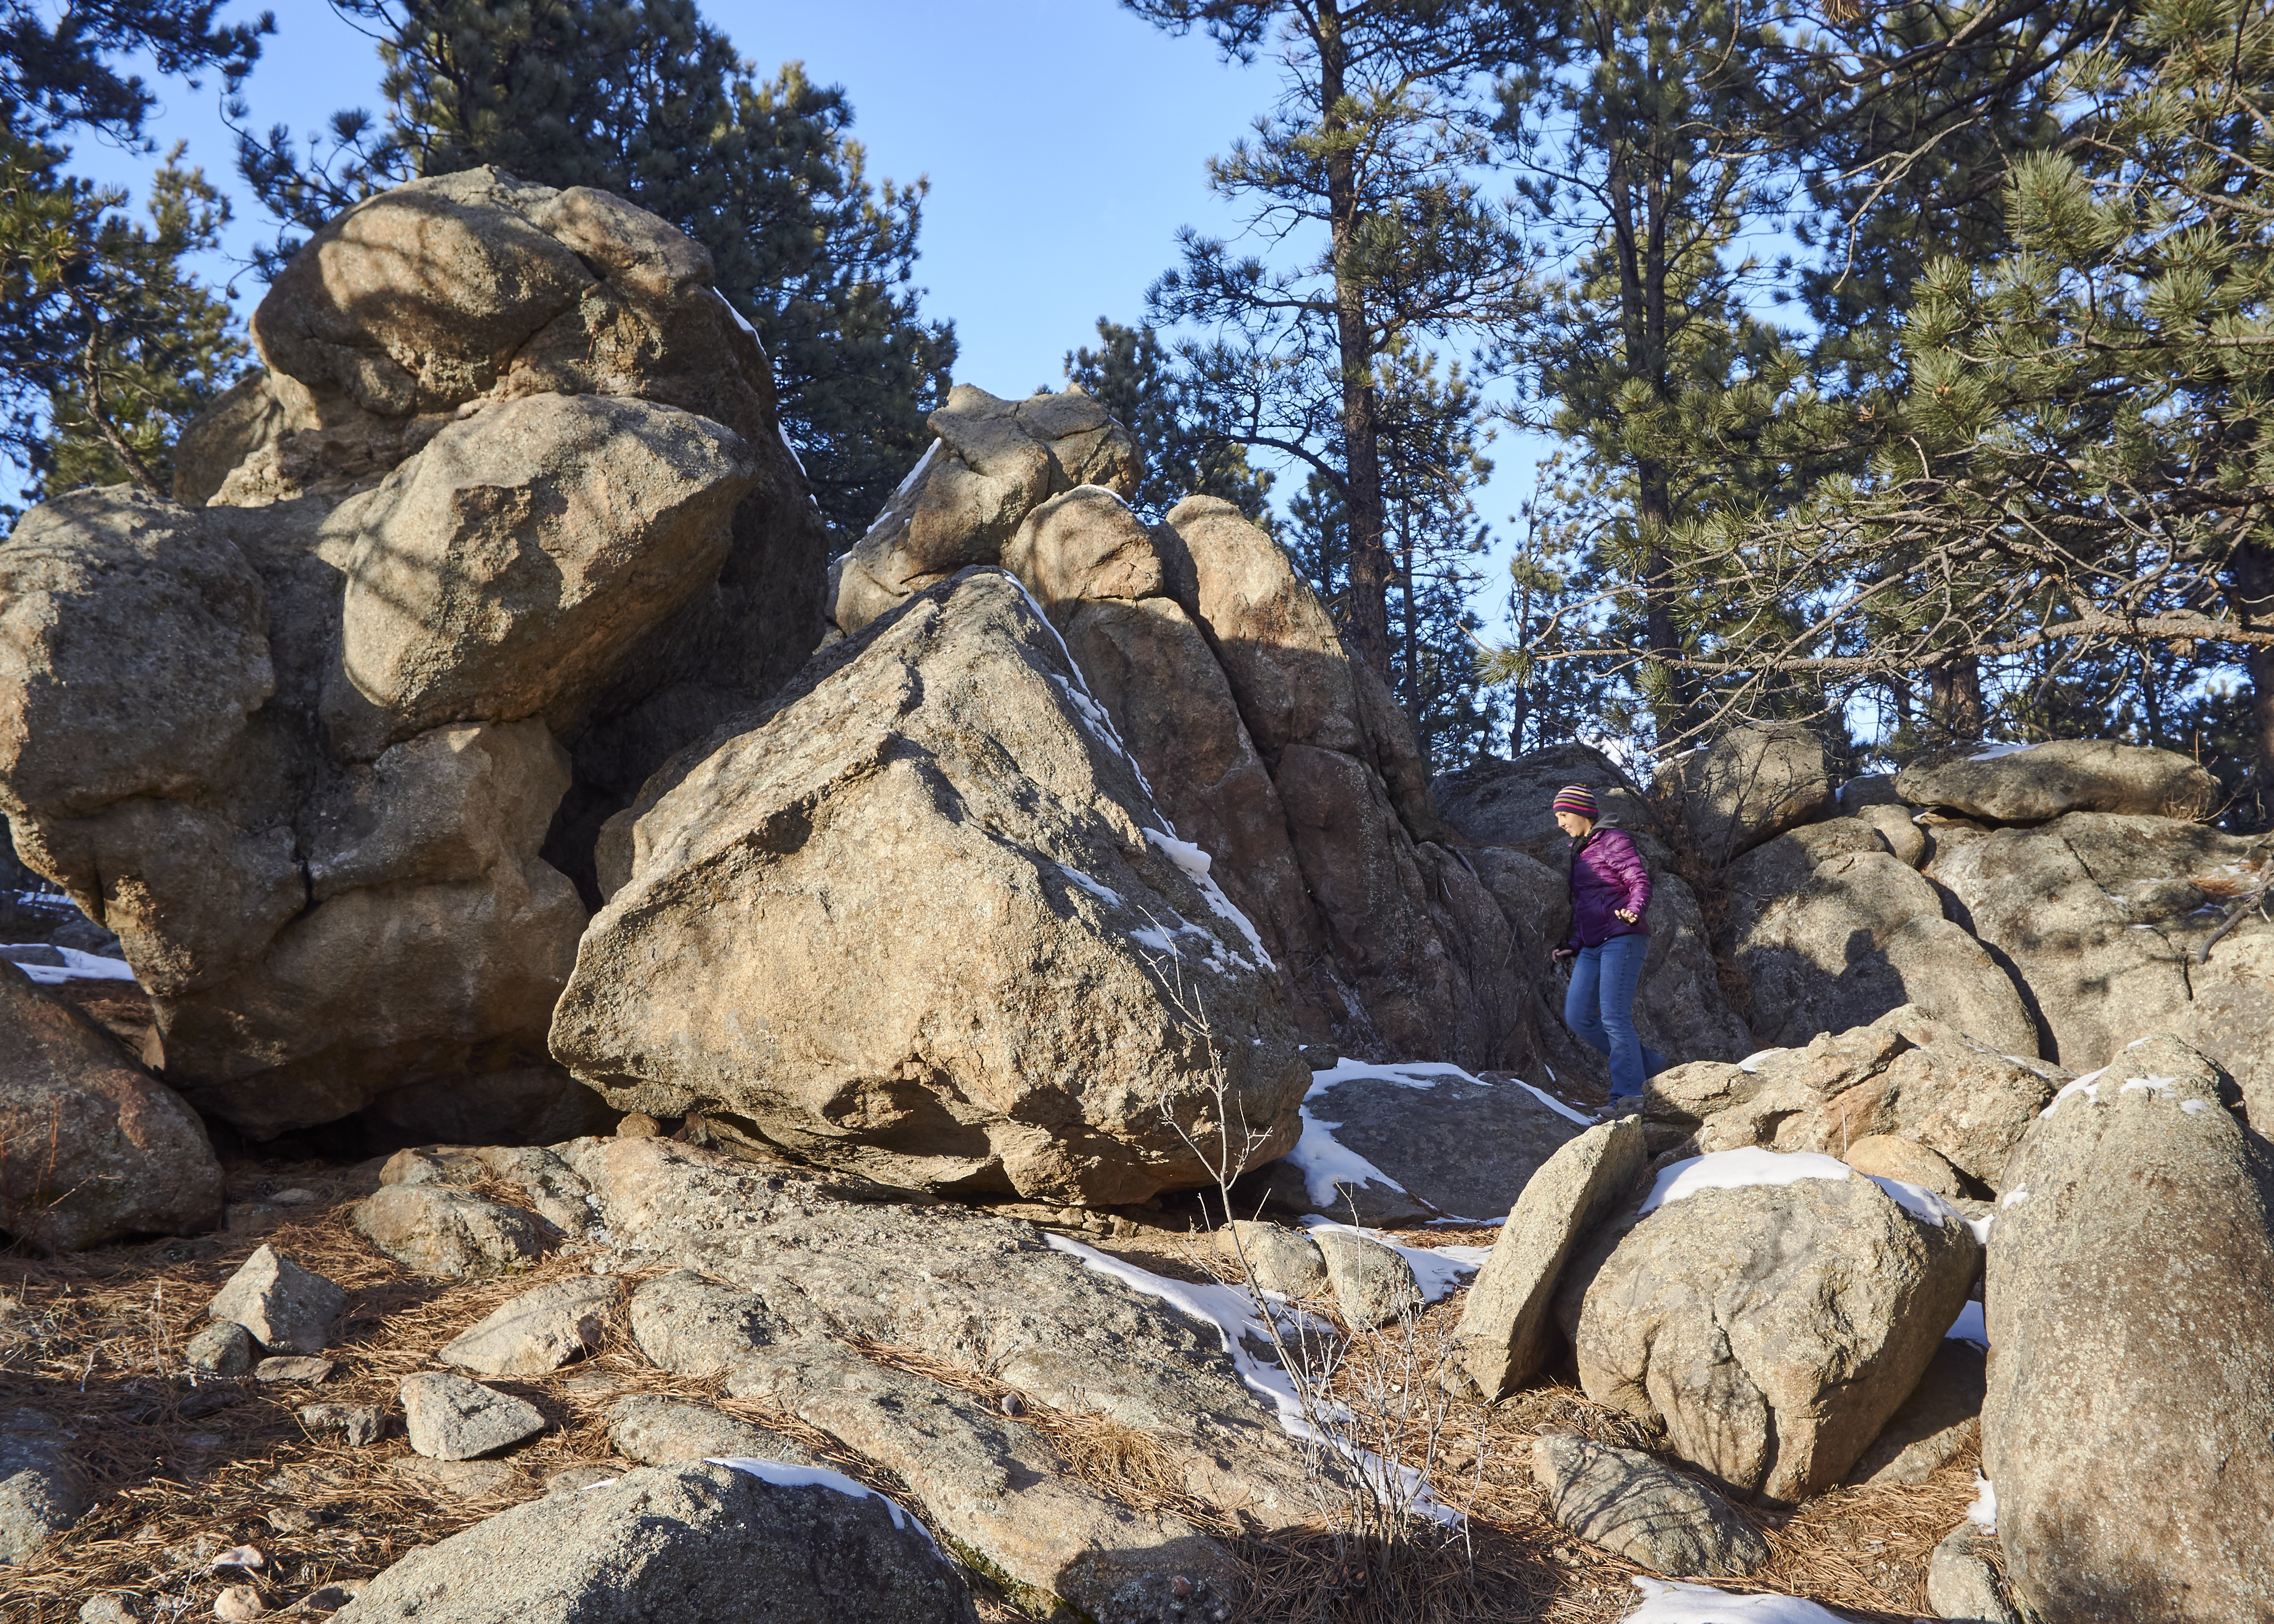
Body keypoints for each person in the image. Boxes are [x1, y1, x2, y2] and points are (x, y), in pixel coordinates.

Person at [1548, 784, 1668, 1101]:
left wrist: (1634, 910)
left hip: (1623, 938)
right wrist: (1574, 943)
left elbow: (1639, 881)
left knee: (1614, 1017)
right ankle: (1652, 1066)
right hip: (1592, 944)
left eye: (1563, 814)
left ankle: (1627, 1098)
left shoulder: (1613, 840)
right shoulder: (1579, 850)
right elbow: (1587, 903)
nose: (1560, 822)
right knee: (1577, 1017)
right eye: (1557, 816)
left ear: (1583, 812)